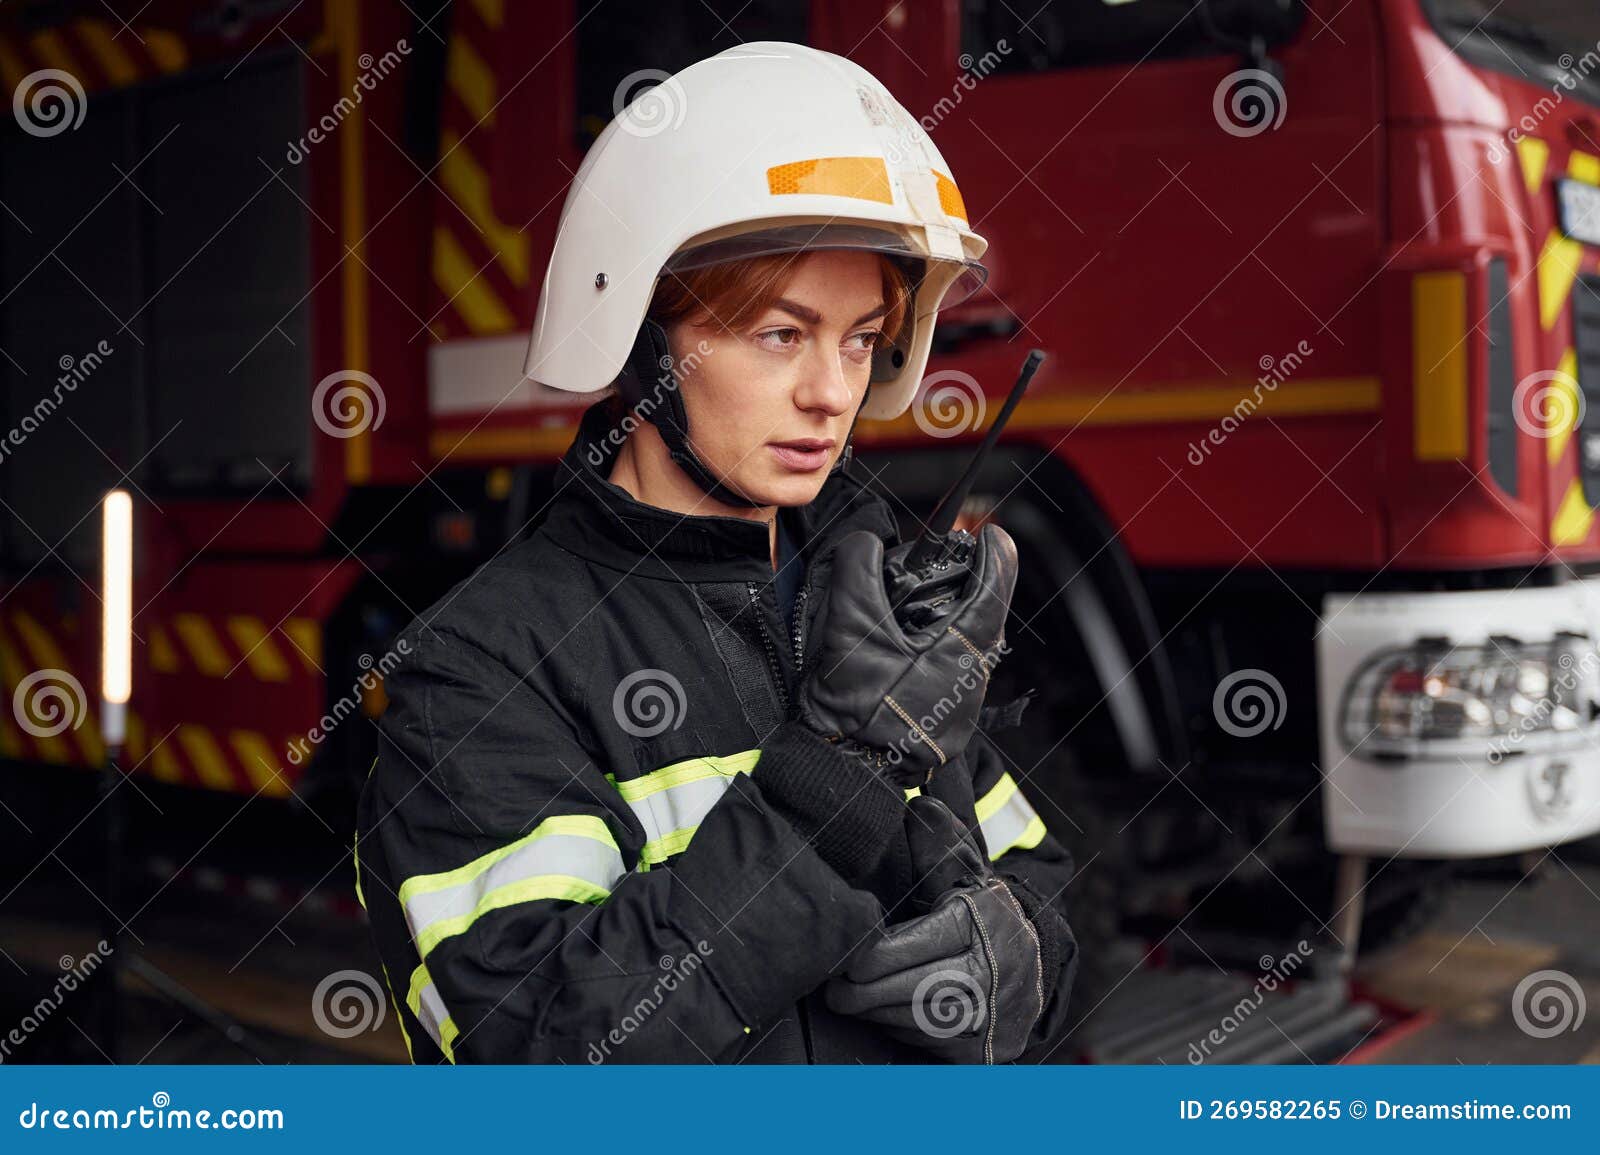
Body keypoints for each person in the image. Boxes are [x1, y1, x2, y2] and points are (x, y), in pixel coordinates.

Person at [354, 41, 1077, 1064]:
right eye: (782, 334)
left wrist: (1023, 955)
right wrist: (836, 776)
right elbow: (546, 1052)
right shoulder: (483, 668)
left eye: (861, 338)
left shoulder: (872, 600)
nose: (833, 392)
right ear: (643, 338)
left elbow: (1037, 877)